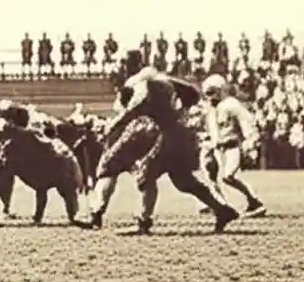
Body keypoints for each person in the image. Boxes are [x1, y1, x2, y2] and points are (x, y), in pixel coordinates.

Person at [85, 66, 239, 234]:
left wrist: (114, 124)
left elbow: (136, 106)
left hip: (168, 136)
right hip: (180, 134)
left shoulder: (144, 85)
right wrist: (182, 112)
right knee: (185, 181)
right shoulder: (167, 82)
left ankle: (143, 223)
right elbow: (192, 93)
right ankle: (222, 210)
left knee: (147, 173)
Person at [200, 74, 266, 217]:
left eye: (211, 92)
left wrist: (251, 141)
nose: (209, 97)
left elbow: (247, 121)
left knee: (228, 176)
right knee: (209, 174)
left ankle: (254, 202)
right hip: (216, 147)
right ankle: (218, 204)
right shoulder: (211, 108)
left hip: (231, 146)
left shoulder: (231, 104)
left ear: (220, 90)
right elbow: (212, 129)